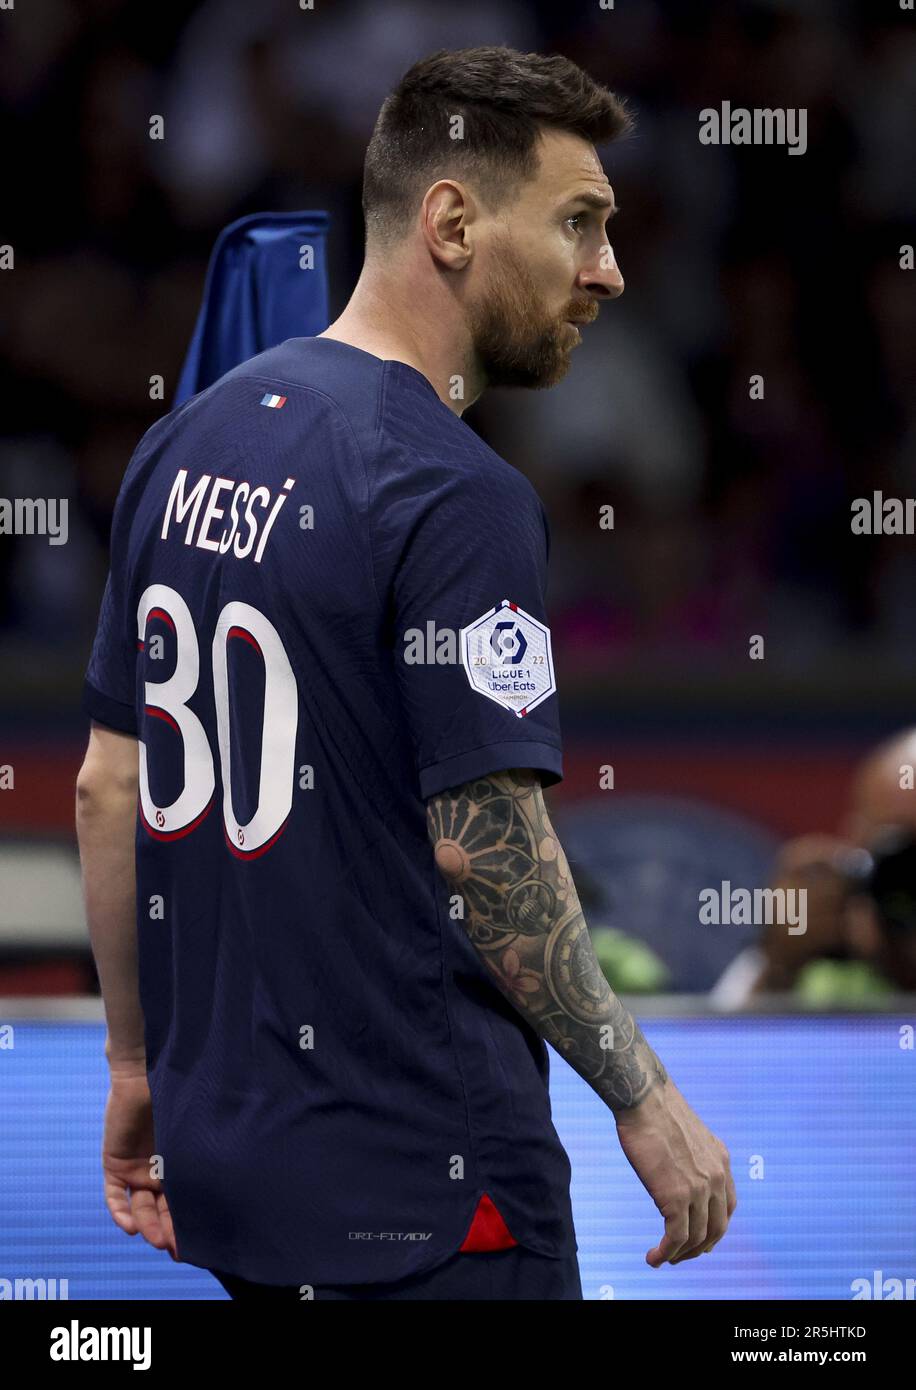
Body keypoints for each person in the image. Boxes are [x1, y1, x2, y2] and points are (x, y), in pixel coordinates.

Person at [76, 45, 735, 1303]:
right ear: (451, 221)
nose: (608, 270)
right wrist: (647, 1104)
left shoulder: (181, 443)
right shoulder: (453, 491)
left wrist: (135, 1067)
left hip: (236, 1177)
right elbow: (484, 852)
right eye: (579, 223)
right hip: (432, 1187)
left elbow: (109, 790)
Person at [711, 728, 916, 1009]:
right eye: (905, 855)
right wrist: (778, 962)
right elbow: (725, 1045)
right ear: (859, 846)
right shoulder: (825, 968)